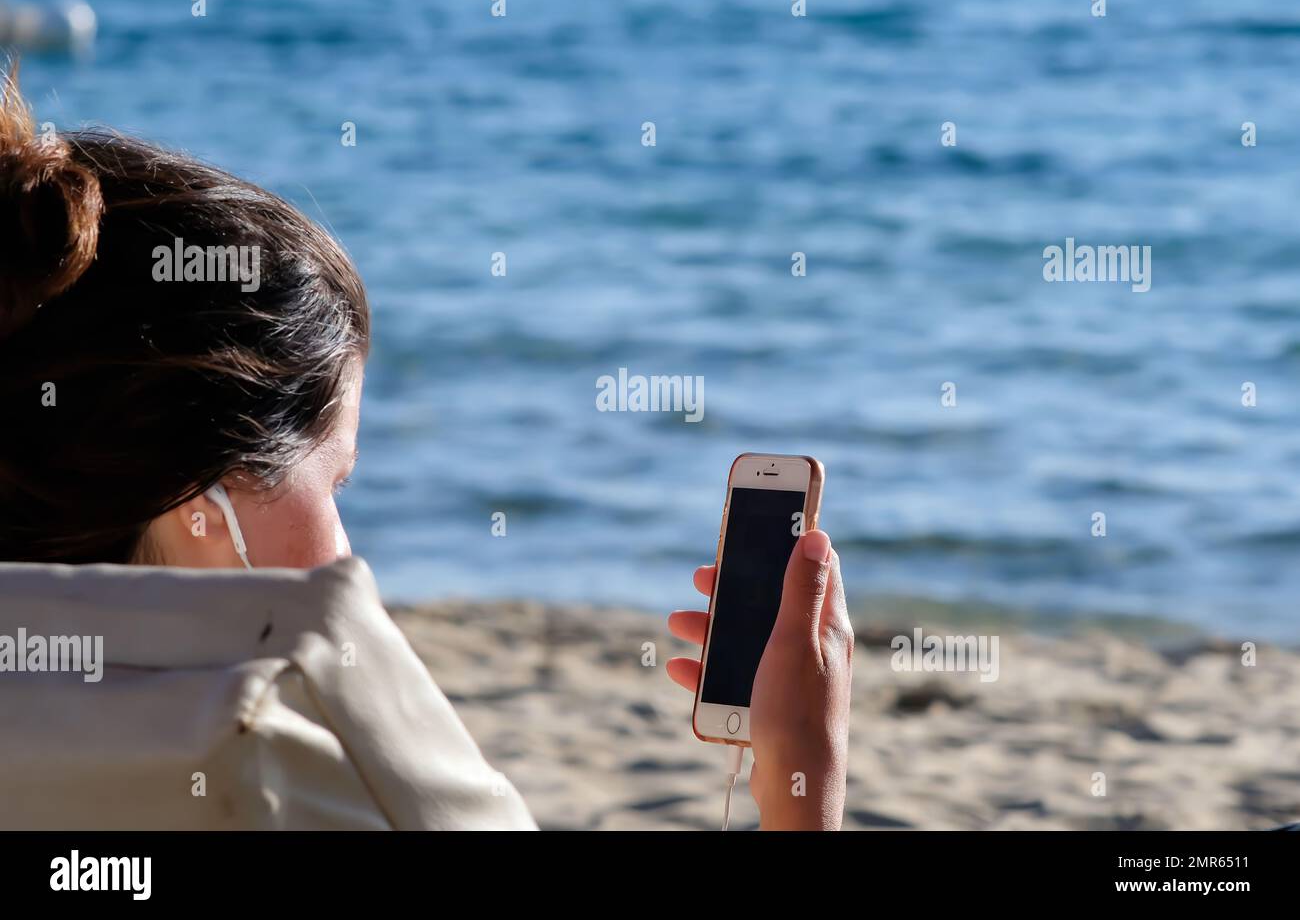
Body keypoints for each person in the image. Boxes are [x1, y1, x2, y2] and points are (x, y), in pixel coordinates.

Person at [0, 68, 852, 830]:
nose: (345, 546)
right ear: (205, 506)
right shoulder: (283, 771)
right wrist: (801, 789)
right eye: (334, 484)